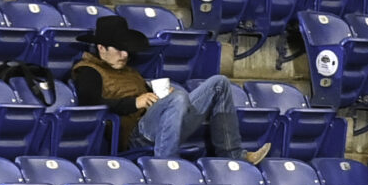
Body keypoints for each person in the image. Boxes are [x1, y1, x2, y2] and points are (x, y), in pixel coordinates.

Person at [71, 15, 265, 164]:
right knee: (179, 97)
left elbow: (151, 96)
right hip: (135, 134)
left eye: (126, 49)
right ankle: (167, 165)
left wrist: (161, 96)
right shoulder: (88, 70)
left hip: (161, 122)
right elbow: (90, 103)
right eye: (118, 49)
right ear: (101, 48)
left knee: (219, 83)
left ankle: (234, 155)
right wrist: (134, 103)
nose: (124, 54)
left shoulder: (128, 70)